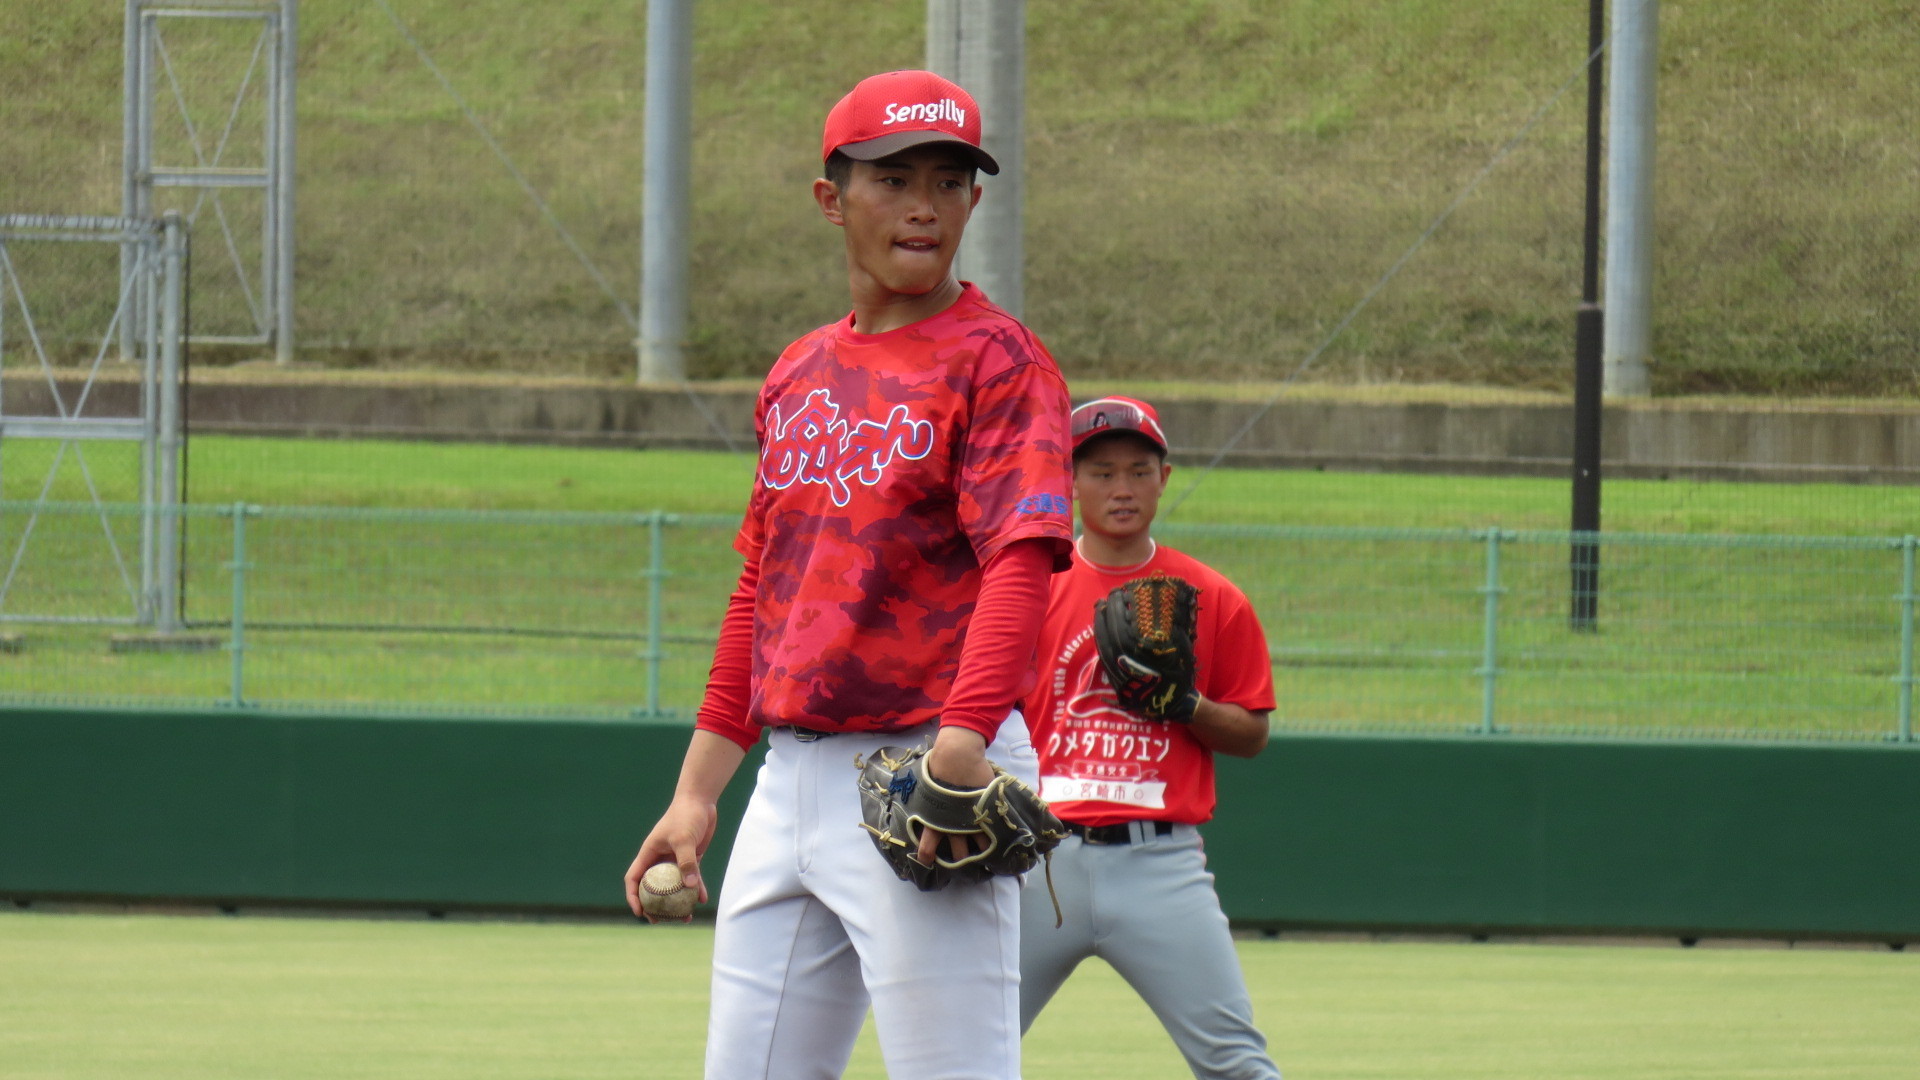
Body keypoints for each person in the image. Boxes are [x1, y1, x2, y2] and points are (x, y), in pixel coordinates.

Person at [623, 69, 1073, 1080]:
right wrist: (698, 796)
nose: (924, 205)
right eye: (895, 177)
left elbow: (1024, 561)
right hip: (790, 777)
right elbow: (763, 591)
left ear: (975, 199)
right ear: (833, 199)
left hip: (929, 760)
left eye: (950, 181)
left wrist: (961, 749)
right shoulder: (797, 371)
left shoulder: (997, 361)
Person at [1018, 395, 1282, 1080]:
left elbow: (1251, 734)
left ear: (1165, 477)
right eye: (1101, 472)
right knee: (957, 1054)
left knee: (1236, 1065)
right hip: (1040, 863)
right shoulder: (1026, 590)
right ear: (1068, 482)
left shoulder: (1210, 595)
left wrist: (1185, 704)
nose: (1122, 488)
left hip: (1160, 865)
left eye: (1139, 470)